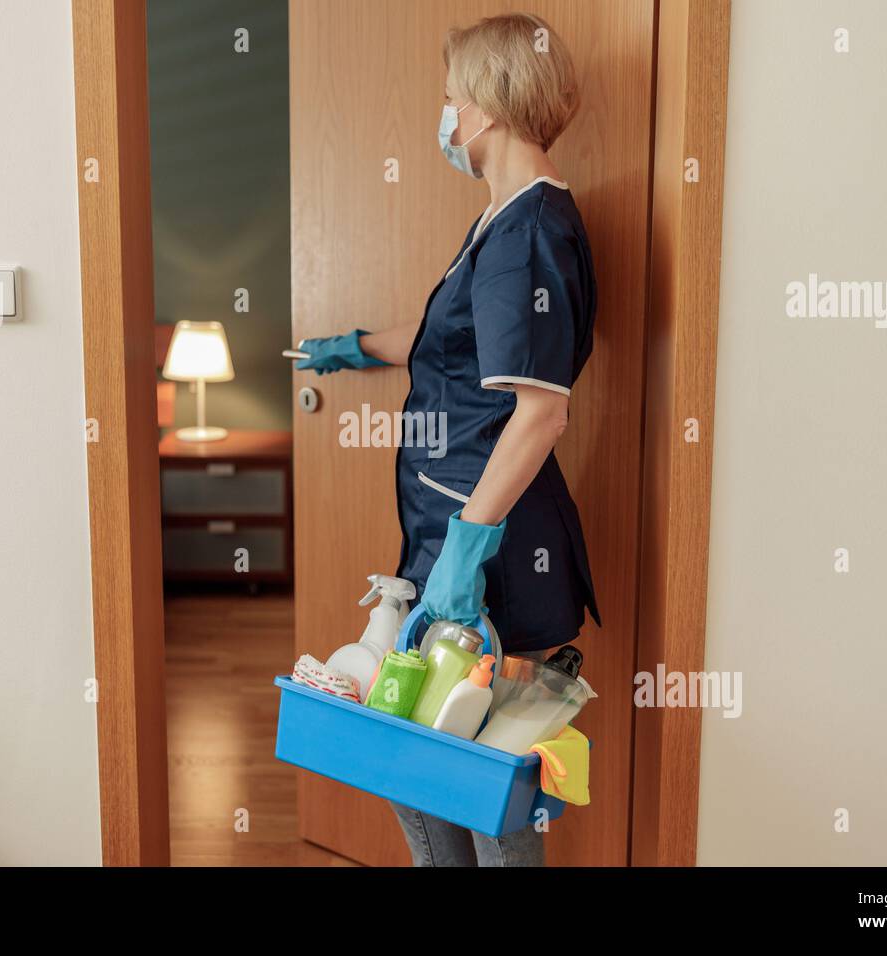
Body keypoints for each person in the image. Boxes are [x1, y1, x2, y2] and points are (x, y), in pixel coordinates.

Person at [295, 12, 599, 867]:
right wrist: (358, 346)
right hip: (461, 526)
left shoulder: (528, 235)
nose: (445, 114)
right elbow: (456, 341)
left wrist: (466, 553)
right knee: (430, 760)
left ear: (487, 107)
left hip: (488, 542)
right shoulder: (505, 222)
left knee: (474, 778)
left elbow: (541, 411)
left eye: (449, 96)